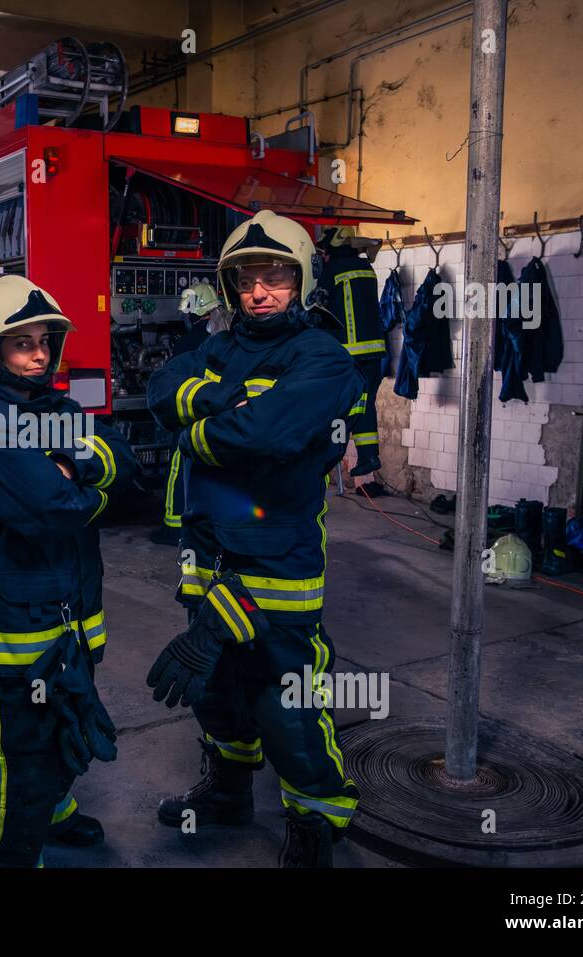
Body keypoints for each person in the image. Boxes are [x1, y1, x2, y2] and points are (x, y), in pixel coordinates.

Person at [146, 211, 363, 867]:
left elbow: (269, 436)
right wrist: (232, 406)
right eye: (247, 279)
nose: (259, 291)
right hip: (207, 564)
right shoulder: (221, 347)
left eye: (275, 277)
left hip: (276, 570)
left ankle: (316, 819)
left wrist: (199, 429)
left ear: (303, 281)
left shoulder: (324, 358)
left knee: (283, 705)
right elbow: (161, 386)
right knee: (218, 693)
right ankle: (227, 792)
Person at [0, 274, 137, 868]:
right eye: (20, 343)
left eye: (44, 342)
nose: (37, 356)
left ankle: (52, 815)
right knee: (19, 754)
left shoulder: (52, 407)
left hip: (69, 619)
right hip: (17, 631)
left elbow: (125, 465)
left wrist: (76, 465)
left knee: (61, 731)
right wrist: (91, 486)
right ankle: (4, 855)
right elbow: (53, 513)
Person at [151, 281, 229, 547]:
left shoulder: (189, 340)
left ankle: (173, 526)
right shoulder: (224, 336)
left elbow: (174, 376)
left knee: (177, 466)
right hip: (217, 413)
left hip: (190, 411)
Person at [317, 225, 385, 479]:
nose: (322, 256)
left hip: (348, 353)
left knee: (340, 407)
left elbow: (316, 303)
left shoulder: (333, 270)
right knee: (365, 404)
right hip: (374, 352)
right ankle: (369, 456)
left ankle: (330, 456)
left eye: (323, 252)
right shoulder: (366, 268)